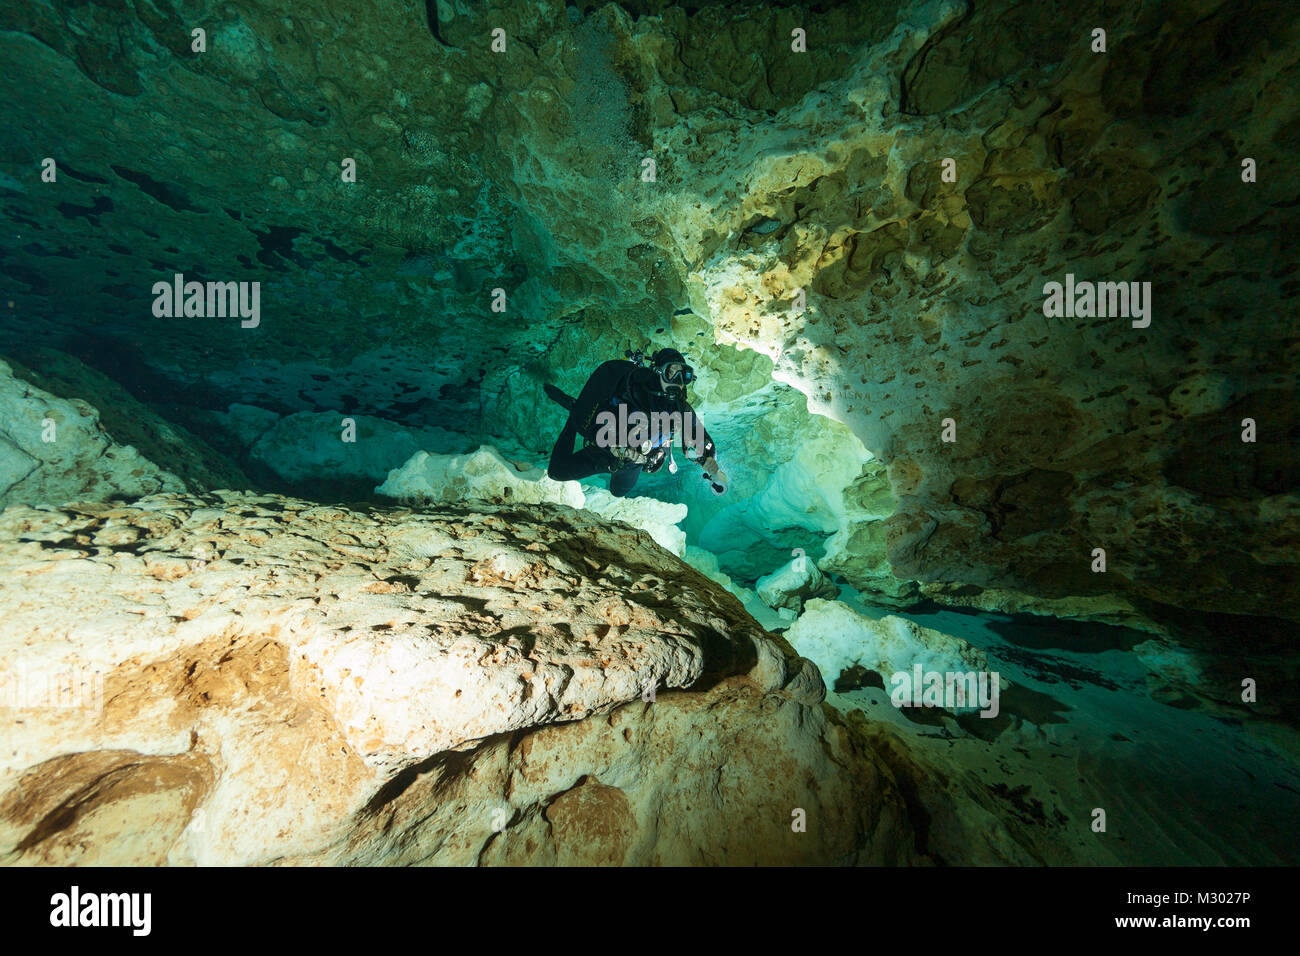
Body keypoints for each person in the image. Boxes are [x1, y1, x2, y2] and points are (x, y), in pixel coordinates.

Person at [545, 347, 725, 497]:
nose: (677, 383)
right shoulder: (631, 391)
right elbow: (596, 424)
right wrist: (615, 448)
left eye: (684, 376)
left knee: (618, 491)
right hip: (607, 453)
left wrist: (710, 463)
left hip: (635, 462)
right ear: (658, 372)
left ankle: (576, 411)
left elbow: (699, 437)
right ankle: (572, 412)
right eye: (671, 373)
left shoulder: (679, 407)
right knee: (556, 472)